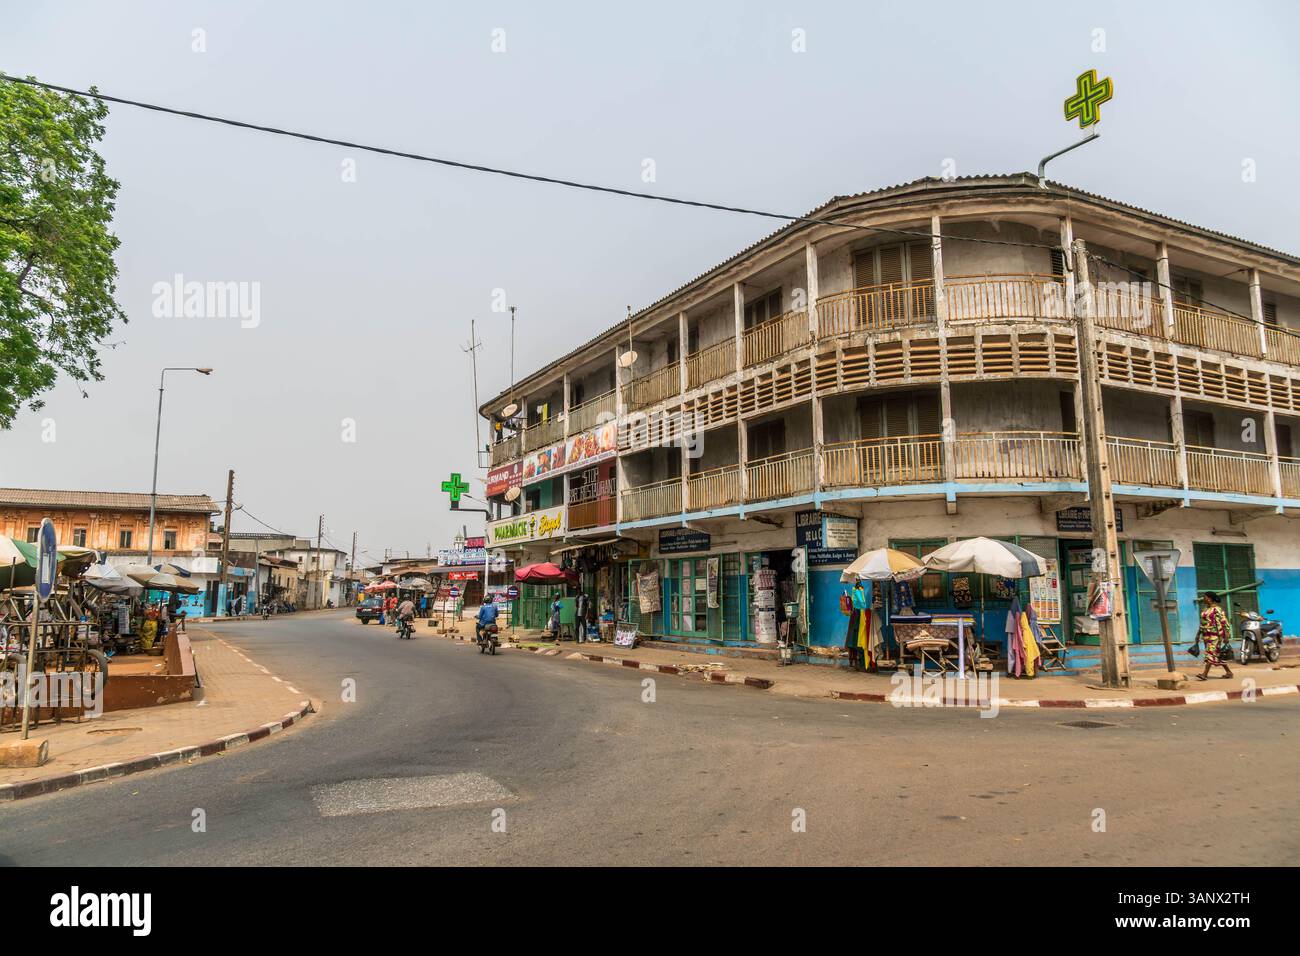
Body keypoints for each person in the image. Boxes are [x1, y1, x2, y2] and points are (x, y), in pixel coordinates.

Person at [1196, 591, 1234, 681]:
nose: (1203, 599)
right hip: (1206, 635)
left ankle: (1205, 674)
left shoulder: (1217, 609)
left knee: (1210, 653)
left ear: (1209, 598)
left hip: (1215, 635)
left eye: (1205, 597)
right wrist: (1198, 634)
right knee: (1216, 654)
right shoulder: (1205, 610)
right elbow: (1202, 623)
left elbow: (1224, 622)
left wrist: (1226, 635)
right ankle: (1229, 672)